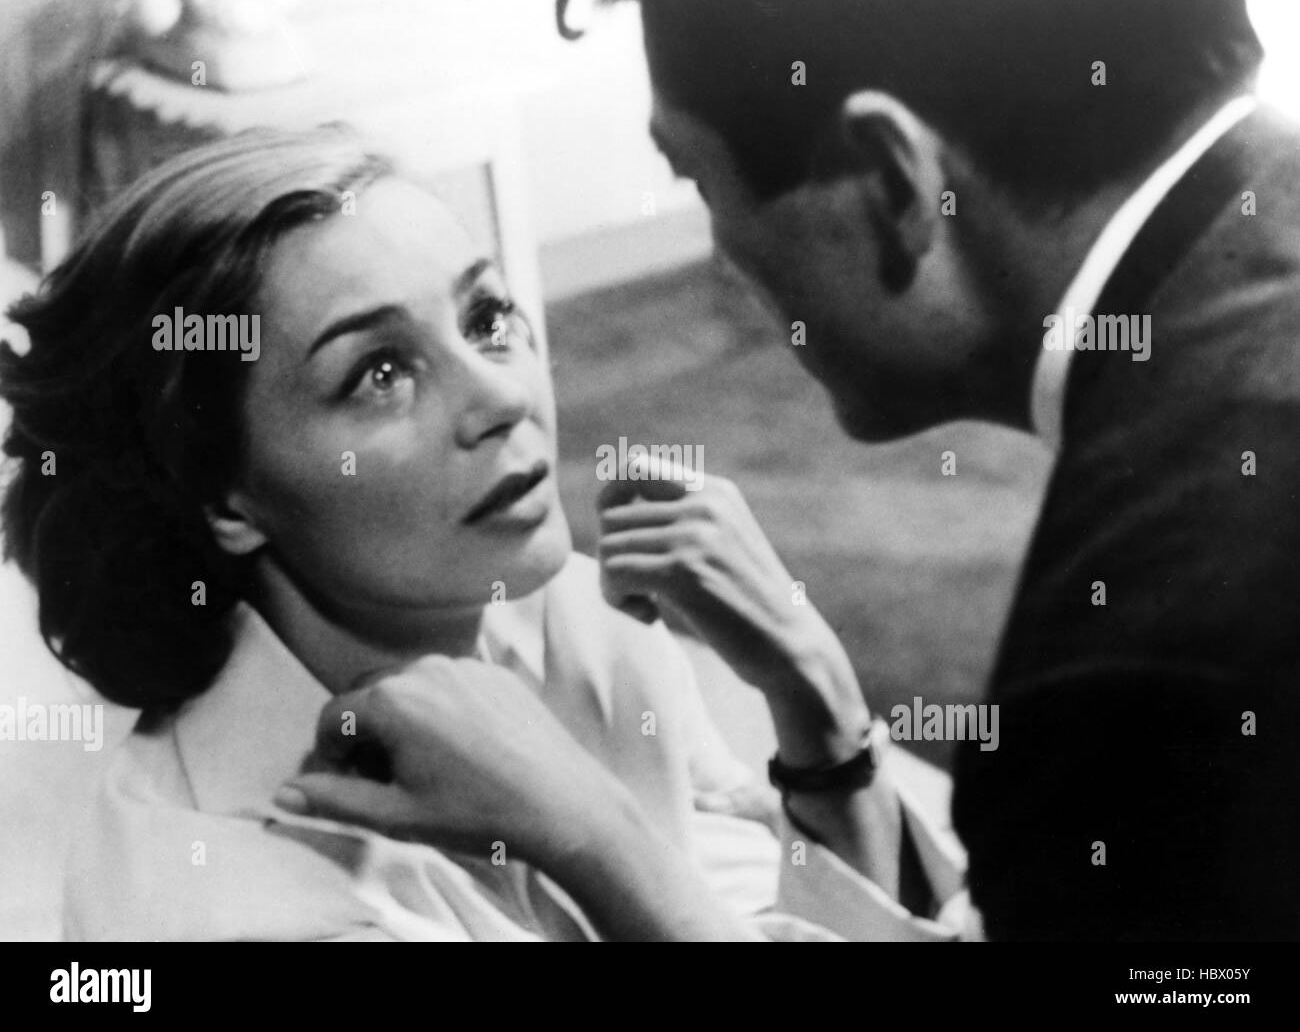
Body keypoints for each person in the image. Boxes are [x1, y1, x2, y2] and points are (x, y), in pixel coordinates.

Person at [1, 126, 963, 941]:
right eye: (379, 373)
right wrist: (595, 838)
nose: (502, 397)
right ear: (226, 500)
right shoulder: (230, 902)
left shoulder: (565, 619)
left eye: (487, 316)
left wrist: (821, 715)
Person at [584, 0, 1300, 940]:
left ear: (891, 181)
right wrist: (824, 719)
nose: (724, 253)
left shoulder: (1122, 697)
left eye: (698, 180)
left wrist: (598, 849)